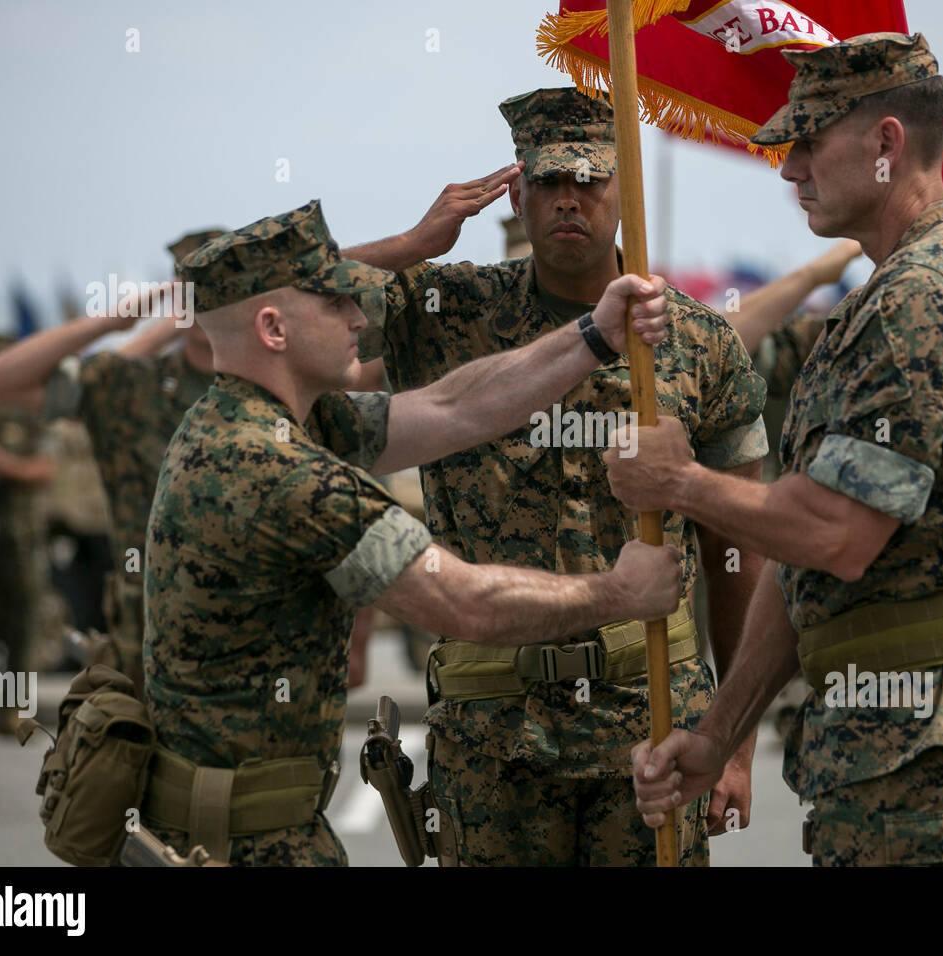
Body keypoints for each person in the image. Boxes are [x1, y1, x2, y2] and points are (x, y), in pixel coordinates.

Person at [606, 33, 943, 866]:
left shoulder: (924, 295)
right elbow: (800, 557)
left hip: (934, 751)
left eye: (809, 140)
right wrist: (719, 737)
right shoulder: (892, 296)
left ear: (887, 144)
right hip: (900, 741)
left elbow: (833, 535)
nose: (789, 168)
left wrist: (679, 481)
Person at [140, 199, 681, 866]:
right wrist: (623, 593)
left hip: (239, 824)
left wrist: (591, 336)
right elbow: (462, 603)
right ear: (273, 327)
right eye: (335, 303)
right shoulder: (275, 470)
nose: (359, 318)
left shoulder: (259, 421)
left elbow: (454, 409)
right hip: (245, 843)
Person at [343, 87, 768, 866]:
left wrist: (732, 744)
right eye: (546, 182)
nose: (567, 200)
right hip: (493, 730)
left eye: (589, 180)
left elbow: (738, 549)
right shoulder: (446, 311)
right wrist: (414, 242)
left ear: (623, 188)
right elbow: (268, 306)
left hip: (649, 726)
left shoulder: (698, 341)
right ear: (518, 190)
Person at [0, 230, 224, 694]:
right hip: (147, 633)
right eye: (188, 285)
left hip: (255, 629)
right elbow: (2, 381)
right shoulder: (133, 385)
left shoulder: (280, 386)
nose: (202, 298)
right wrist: (113, 322)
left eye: (217, 283)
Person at [0, 336, 56, 732]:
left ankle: (13, 709)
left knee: (23, 618)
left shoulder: (29, 413)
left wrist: (4, 465)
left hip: (22, 535)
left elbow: (46, 469)